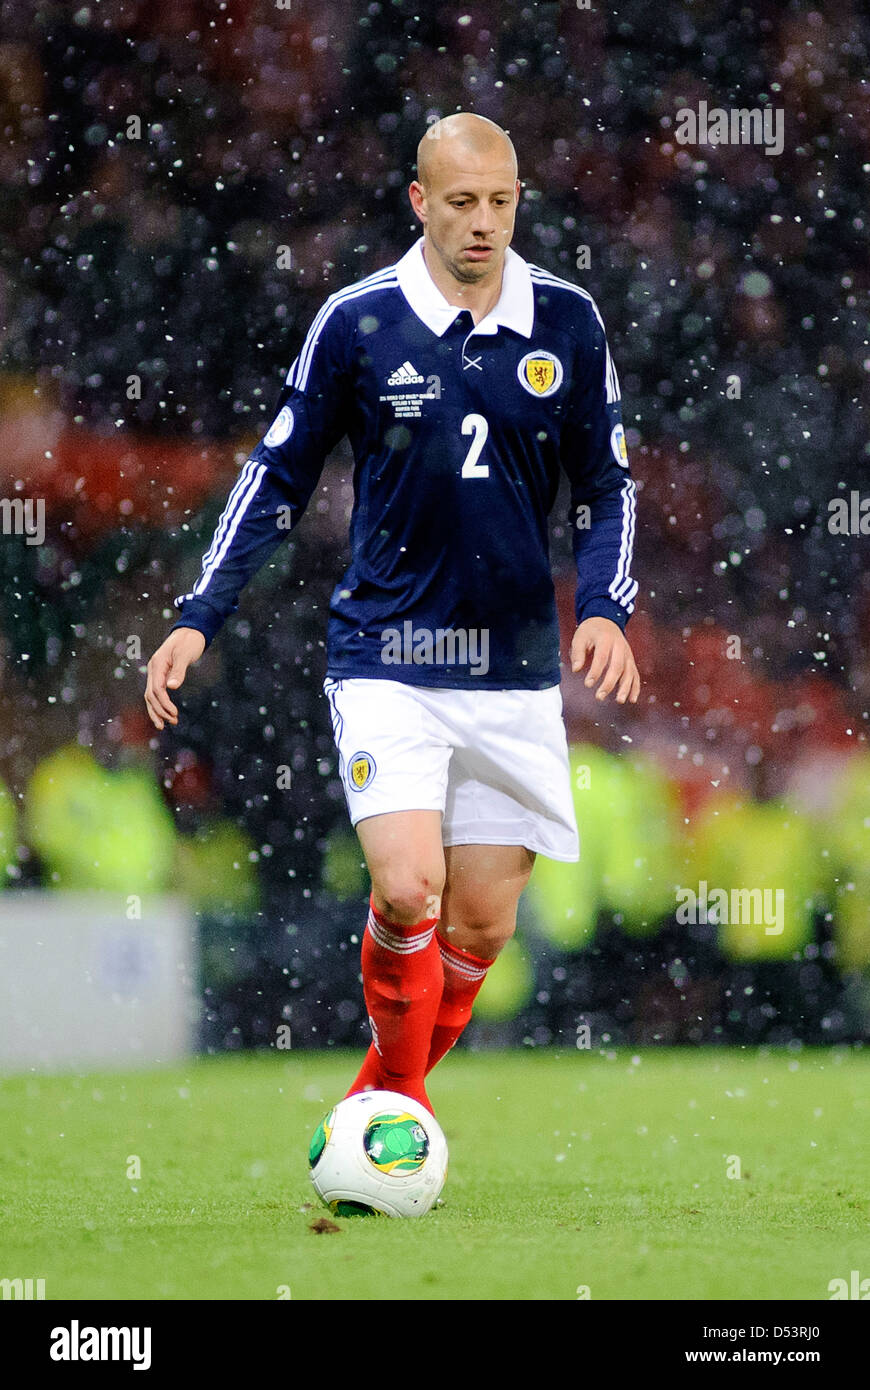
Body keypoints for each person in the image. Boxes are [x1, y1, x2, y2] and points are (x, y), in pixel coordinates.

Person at [145, 113, 640, 1115]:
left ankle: (379, 1103)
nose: (483, 224)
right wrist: (202, 610)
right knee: (409, 888)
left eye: (501, 203)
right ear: (420, 202)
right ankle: (396, 1119)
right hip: (390, 654)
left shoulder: (568, 322)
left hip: (513, 666)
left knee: (482, 929)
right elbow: (276, 473)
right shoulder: (358, 321)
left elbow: (608, 484)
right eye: (461, 203)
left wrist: (605, 607)